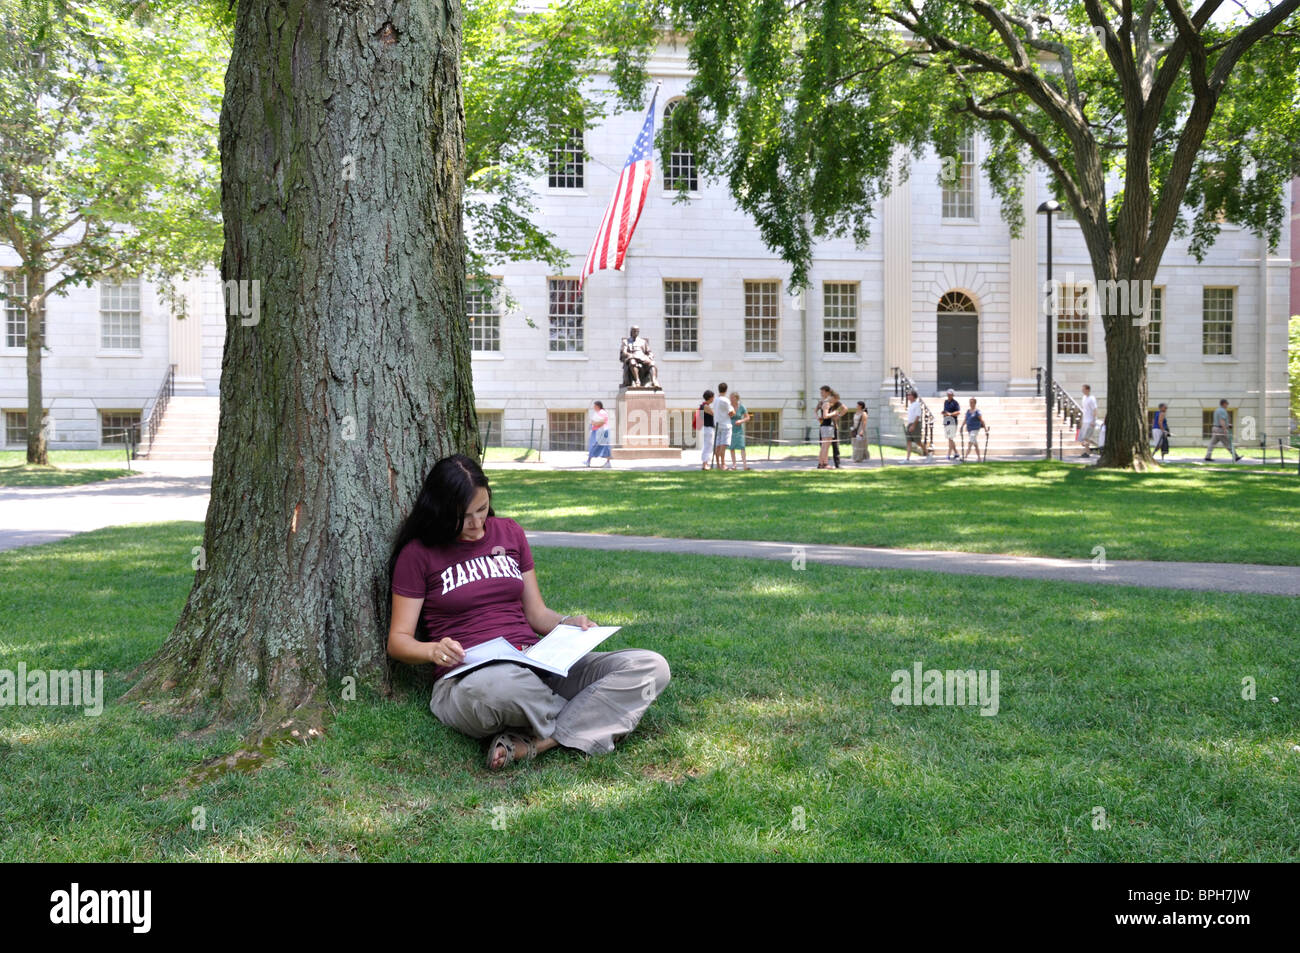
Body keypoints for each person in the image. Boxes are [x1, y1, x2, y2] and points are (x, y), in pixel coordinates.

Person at [387, 455, 670, 771]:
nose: (477, 523)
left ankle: (542, 741)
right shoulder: (418, 554)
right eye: (464, 517)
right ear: (440, 512)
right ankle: (590, 716)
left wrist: (566, 623)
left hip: (536, 662)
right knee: (500, 687)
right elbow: (398, 641)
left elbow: (537, 614)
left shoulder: (509, 533)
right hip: (471, 681)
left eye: (482, 509)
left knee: (649, 666)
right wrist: (433, 650)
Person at [816, 385, 847, 469]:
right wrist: (834, 413)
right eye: (835, 399)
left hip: (826, 426)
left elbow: (844, 408)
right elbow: (825, 416)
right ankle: (825, 464)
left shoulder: (828, 402)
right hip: (827, 426)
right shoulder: (826, 403)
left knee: (824, 446)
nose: (836, 401)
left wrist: (838, 414)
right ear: (832, 397)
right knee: (825, 446)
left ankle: (821, 464)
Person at [1205, 398, 1243, 462]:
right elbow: (1221, 420)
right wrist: (1225, 429)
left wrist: (1228, 425)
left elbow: (1220, 420)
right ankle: (1235, 456)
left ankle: (1208, 456)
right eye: (1227, 404)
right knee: (1228, 443)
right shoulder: (1223, 411)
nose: (1227, 405)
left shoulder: (1217, 410)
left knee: (1212, 443)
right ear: (1224, 404)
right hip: (1220, 429)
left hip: (1215, 428)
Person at [727, 391, 753, 470]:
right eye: (730, 398)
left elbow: (748, 417)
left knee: (742, 447)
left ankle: (745, 465)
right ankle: (734, 465)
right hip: (730, 428)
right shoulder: (729, 406)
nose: (730, 399)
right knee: (732, 447)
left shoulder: (742, 407)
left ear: (736, 398)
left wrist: (741, 421)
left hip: (739, 429)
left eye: (732, 398)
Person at [712, 382, 733, 470]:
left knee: (717, 445)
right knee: (723, 446)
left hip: (717, 424)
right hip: (725, 425)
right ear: (726, 390)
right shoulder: (726, 400)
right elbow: (731, 413)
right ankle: (723, 464)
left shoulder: (715, 400)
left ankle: (718, 464)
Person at [904, 389, 929, 461]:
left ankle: (928, 454)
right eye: (908, 395)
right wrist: (909, 425)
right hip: (910, 424)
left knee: (918, 442)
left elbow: (918, 416)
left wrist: (913, 425)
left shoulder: (917, 404)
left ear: (913, 396)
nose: (908, 396)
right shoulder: (910, 405)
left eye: (909, 395)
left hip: (916, 424)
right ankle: (907, 459)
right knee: (908, 441)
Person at [586, 400, 611, 468]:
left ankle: (607, 462)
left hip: (600, 432)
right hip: (597, 431)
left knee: (601, 447)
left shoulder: (602, 412)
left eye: (594, 406)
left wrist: (594, 423)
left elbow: (601, 422)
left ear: (598, 406)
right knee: (595, 446)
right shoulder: (597, 412)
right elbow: (593, 421)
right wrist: (593, 423)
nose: (593, 407)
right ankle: (588, 461)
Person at [963, 398, 987, 462]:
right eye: (970, 402)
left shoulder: (977, 411)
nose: (971, 404)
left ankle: (965, 456)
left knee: (970, 442)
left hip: (975, 429)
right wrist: (962, 426)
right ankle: (979, 458)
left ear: (975, 403)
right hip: (969, 429)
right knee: (975, 443)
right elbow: (965, 419)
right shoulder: (968, 411)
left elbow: (982, 420)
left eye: (972, 402)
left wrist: (985, 429)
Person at [1079, 384, 1099, 458]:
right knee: (1085, 438)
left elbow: (1095, 410)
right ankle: (1089, 451)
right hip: (1085, 420)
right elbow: (1084, 410)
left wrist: (1093, 421)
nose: (1082, 391)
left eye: (1084, 389)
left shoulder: (1092, 398)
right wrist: (1082, 420)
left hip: (1090, 421)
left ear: (1088, 390)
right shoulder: (1084, 398)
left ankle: (1087, 452)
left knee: (1086, 437)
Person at [697, 389, 715, 470]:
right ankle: (704, 464)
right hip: (708, 428)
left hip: (705, 428)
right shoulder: (705, 406)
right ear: (710, 397)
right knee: (708, 446)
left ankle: (706, 463)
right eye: (713, 397)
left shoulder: (702, 405)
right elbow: (714, 414)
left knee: (708, 446)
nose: (713, 399)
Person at [941, 389, 961, 460]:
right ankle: (956, 453)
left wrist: (950, 414)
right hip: (947, 421)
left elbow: (958, 412)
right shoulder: (946, 402)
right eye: (948, 394)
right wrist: (944, 413)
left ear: (953, 395)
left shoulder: (955, 403)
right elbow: (945, 410)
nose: (949, 396)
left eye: (950, 394)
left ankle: (949, 454)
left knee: (950, 438)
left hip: (953, 422)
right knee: (950, 438)